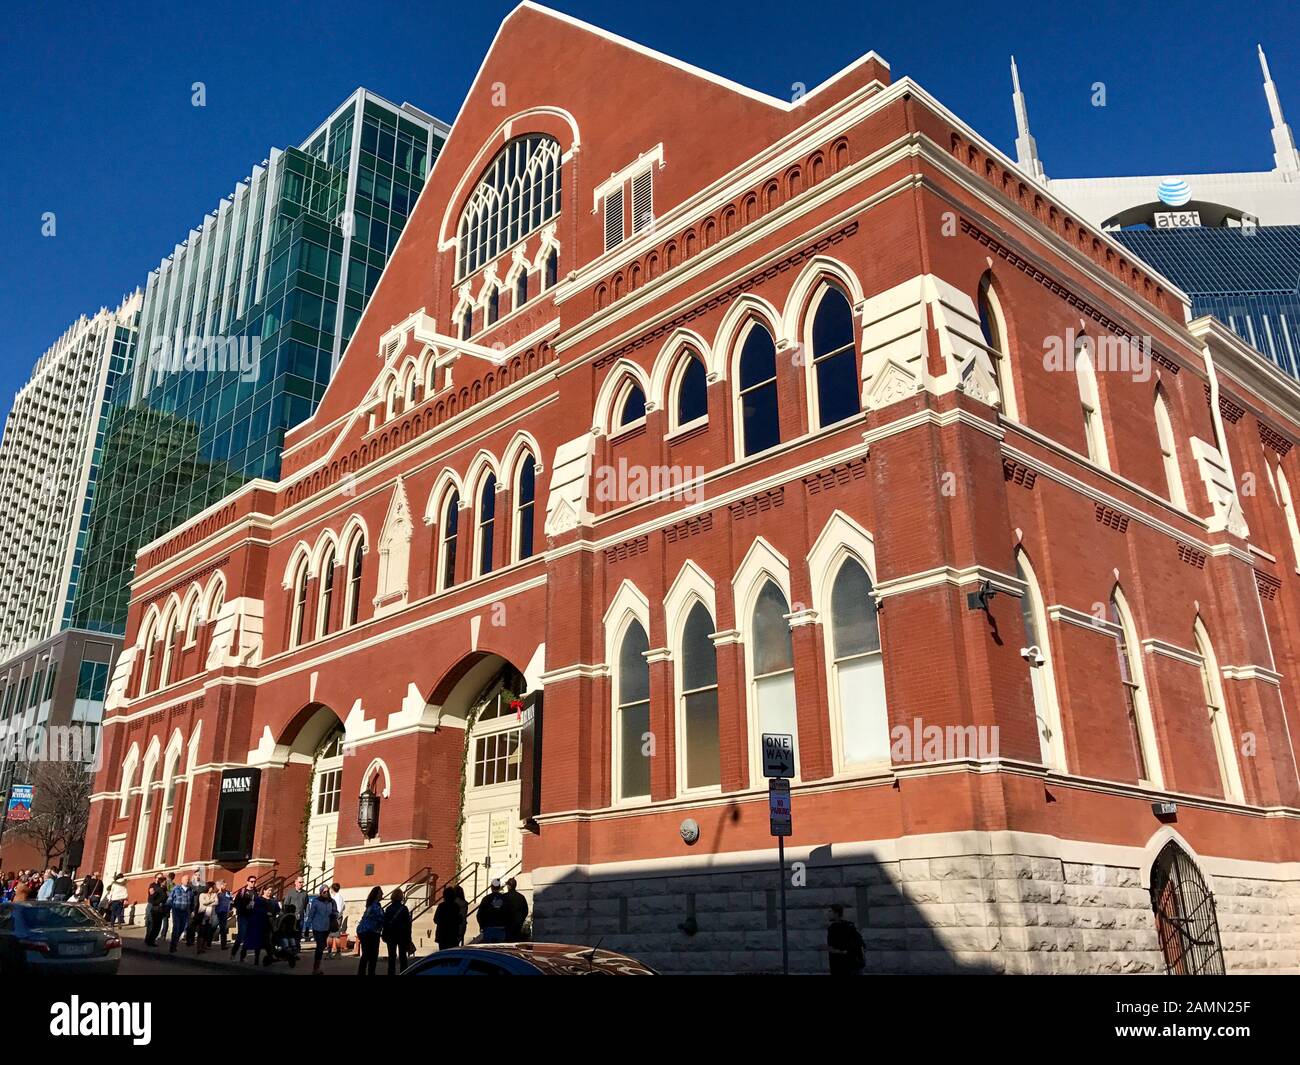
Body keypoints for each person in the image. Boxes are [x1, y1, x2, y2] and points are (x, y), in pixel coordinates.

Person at [304, 886, 336, 975]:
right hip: (317, 927)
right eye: (324, 892)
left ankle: (317, 967)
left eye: (327, 891)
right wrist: (307, 927)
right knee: (320, 946)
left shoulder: (331, 902)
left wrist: (334, 915)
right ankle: (315, 968)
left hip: (327, 927)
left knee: (322, 946)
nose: (326, 893)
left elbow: (335, 911)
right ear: (321, 892)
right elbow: (311, 915)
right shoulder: (316, 901)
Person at [826, 903, 865, 975]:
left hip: (840, 967)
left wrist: (842, 952)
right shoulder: (850, 926)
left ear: (836, 913)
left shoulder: (833, 929)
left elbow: (831, 949)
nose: (828, 913)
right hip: (854, 966)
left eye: (830, 911)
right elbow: (861, 944)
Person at [382, 888, 414, 975]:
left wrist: (384, 935)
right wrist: (409, 937)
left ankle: (391, 973)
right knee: (403, 957)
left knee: (391, 957)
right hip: (402, 936)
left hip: (390, 936)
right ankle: (404, 973)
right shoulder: (404, 909)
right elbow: (408, 925)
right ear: (401, 897)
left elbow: (385, 923)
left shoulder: (388, 909)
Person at [355, 886, 385, 976]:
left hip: (364, 931)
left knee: (366, 954)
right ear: (376, 895)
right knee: (372, 955)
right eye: (381, 892)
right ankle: (370, 972)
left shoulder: (371, 905)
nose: (382, 894)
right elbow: (382, 919)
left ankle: (362, 972)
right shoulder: (376, 906)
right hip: (370, 932)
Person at [229, 875, 257, 958]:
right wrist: (244, 907)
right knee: (242, 935)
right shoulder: (242, 891)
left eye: (254, 881)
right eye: (251, 881)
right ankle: (233, 953)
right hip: (242, 916)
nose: (253, 883)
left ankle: (242, 956)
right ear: (247, 882)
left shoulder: (256, 892)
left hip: (251, 916)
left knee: (247, 937)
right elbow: (236, 903)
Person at [167, 874, 194, 953]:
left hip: (185, 912)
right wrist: (167, 908)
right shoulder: (176, 889)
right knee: (176, 928)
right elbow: (170, 899)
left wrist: (192, 911)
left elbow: (192, 902)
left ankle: (175, 941)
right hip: (177, 910)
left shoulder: (190, 891)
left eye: (188, 880)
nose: (187, 881)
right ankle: (173, 946)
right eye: (185, 880)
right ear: (182, 881)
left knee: (182, 928)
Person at [477, 879, 509, 943]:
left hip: (488, 928)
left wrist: (482, 926)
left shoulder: (486, 899)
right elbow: (509, 913)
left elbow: (479, 914)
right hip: (501, 928)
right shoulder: (505, 899)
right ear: (499, 887)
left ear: (491, 887)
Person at [433, 886, 463, 951]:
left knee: (443, 954)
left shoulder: (441, 906)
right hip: (453, 935)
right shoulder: (456, 906)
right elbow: (460, 919)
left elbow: (435, 919)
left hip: (442, 935)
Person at [144, 875, 167, 946]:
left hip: (160, 909)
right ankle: (150, 940)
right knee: (154, 925)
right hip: (156, 909)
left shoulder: (163, 889)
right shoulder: (156, 888)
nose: (165, 882)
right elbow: (152, 898)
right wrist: (159, 902)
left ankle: (151, 940)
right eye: (164, 881)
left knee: (157, 926)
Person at [195, 882, 218, 954]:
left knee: (207, 932)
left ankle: (204, 946)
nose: (213, 888)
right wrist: (212, 900)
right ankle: (199, 948)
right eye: (212, 887)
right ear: (208, 887)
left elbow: (216, 902)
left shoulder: (214, 894)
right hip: (203, 915)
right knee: (201, 932)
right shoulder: (202, 894)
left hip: (210, 916)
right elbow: (203, 902)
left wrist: (211, 902)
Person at [214, 881, 233, 949]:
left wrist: (230, 908)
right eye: (224, 885)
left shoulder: (228, 893)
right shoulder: (216, 893)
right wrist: (217, 893)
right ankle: (207, 942)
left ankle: (223, 945)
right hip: (217, 912)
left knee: (223, 929)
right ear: (220, 885)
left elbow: (231, 900)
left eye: (225, 885)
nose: (225, 886)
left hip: (224, 912)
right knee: (213, 927)